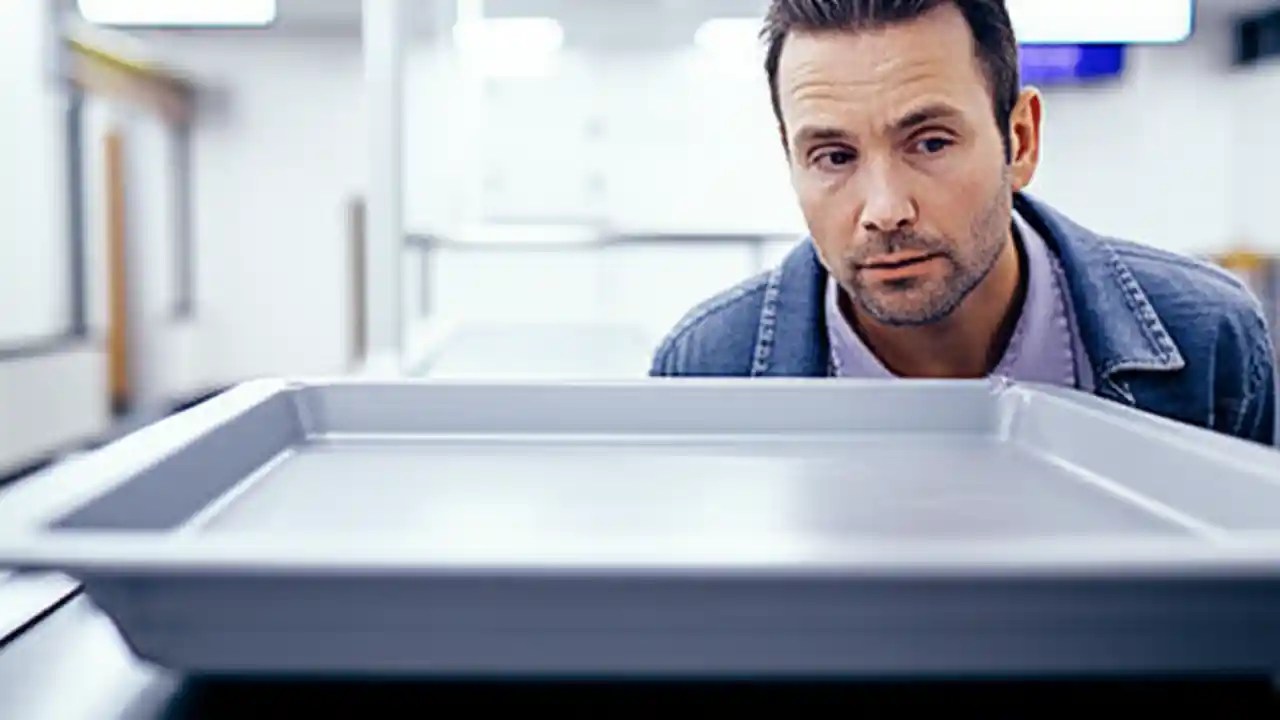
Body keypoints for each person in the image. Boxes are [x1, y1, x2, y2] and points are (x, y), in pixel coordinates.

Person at [650, 0, 1278, 446]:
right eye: (834, 157)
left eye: (929, 143)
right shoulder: (707, 369)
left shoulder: (1208, 343)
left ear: (1021, 140)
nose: (885, 210)